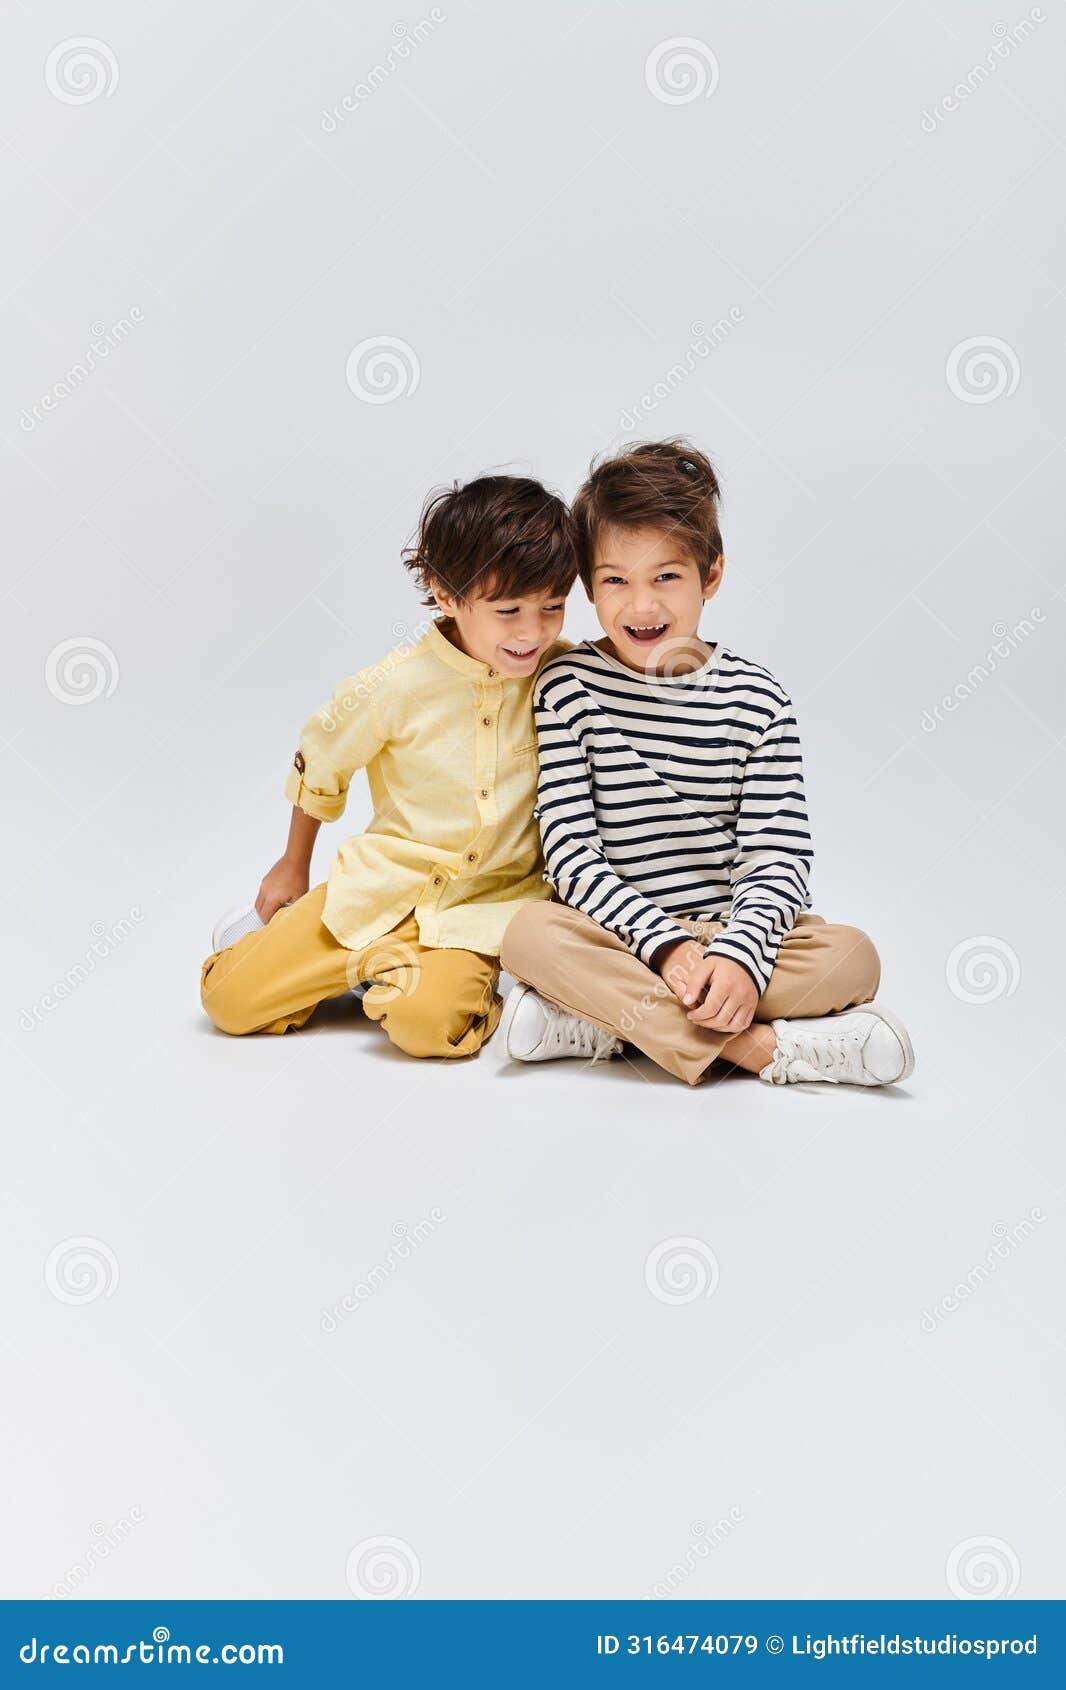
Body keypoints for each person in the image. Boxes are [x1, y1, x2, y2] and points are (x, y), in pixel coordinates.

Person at [498, 440, 914, 1088]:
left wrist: (741, 958)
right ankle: (767, 1051)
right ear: (587, 584)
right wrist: (663, 946)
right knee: (529, 933)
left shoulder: (758, 699)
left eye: (666, 577)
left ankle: (604, 1024)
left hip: (729, 933)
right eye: (616, 580)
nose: (642, 608)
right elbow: (571, 852)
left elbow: (777, 857)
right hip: (618, 933)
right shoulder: (566, 685)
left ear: (711, 575)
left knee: (854, 959)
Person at [201, 475, 576, 1060]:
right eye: (509, 610)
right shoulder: (393, 684)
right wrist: (291, 865)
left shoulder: (566, 677)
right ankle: (329, 963)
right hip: (376, 891)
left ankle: (405, 983)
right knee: (226, 1000)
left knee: (429, 1030)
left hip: (480, 915)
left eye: (552, 606)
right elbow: (323, 761)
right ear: (447, 594)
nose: (533, 630)